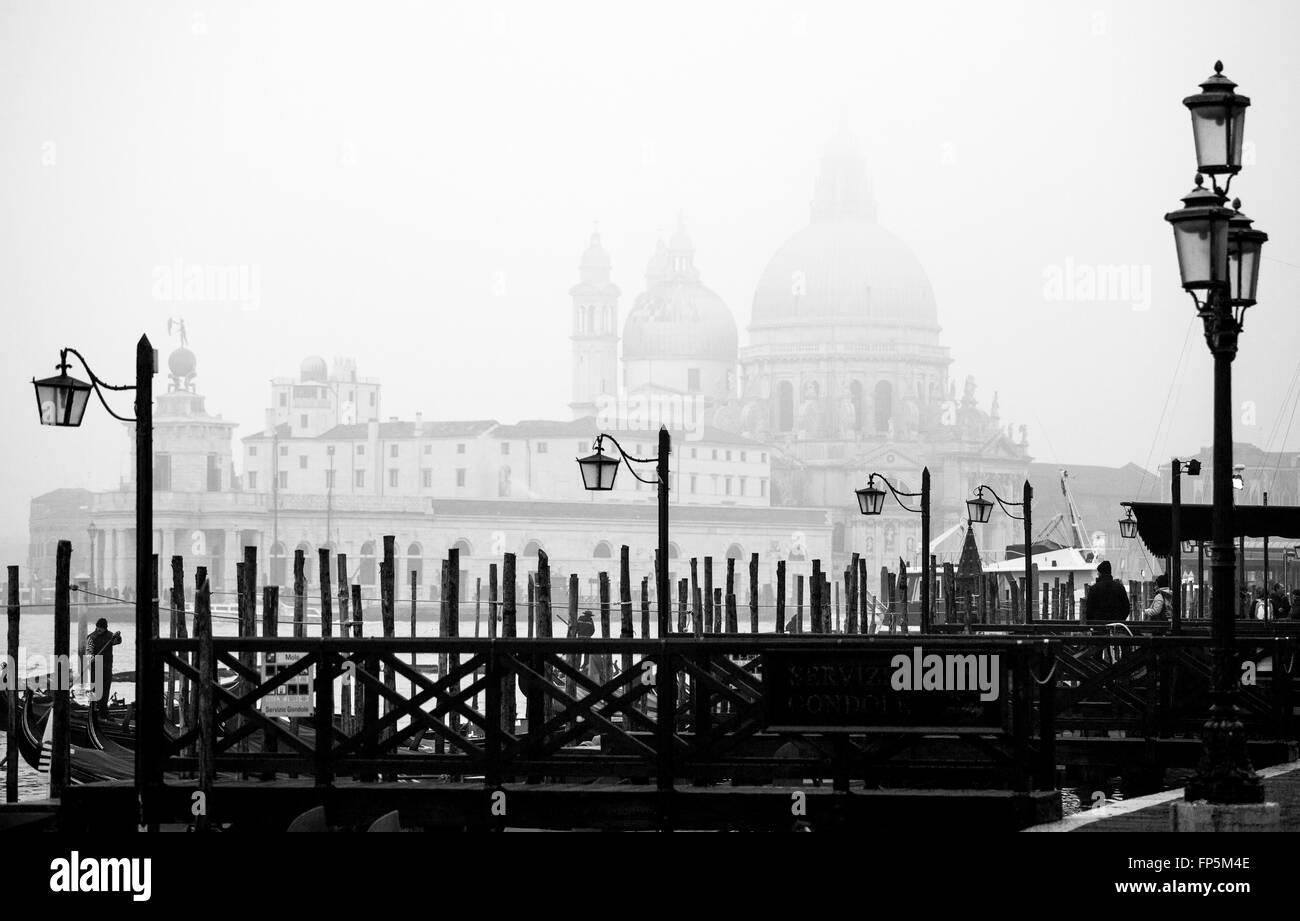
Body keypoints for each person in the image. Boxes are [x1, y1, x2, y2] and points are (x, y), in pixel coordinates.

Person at [84, 617, 122, 716]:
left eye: (101, 628)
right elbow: (88, 652)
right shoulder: (91, 638)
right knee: (96, 690)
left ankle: (103, 712)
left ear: (105, 628)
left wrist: (118, 637)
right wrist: (92, 658)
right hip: (96, 668)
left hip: (107, 667)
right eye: (98, 627)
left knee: (105, 690)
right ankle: (93, 711)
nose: (99, 630)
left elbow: (117, 642)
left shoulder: (110, 636)